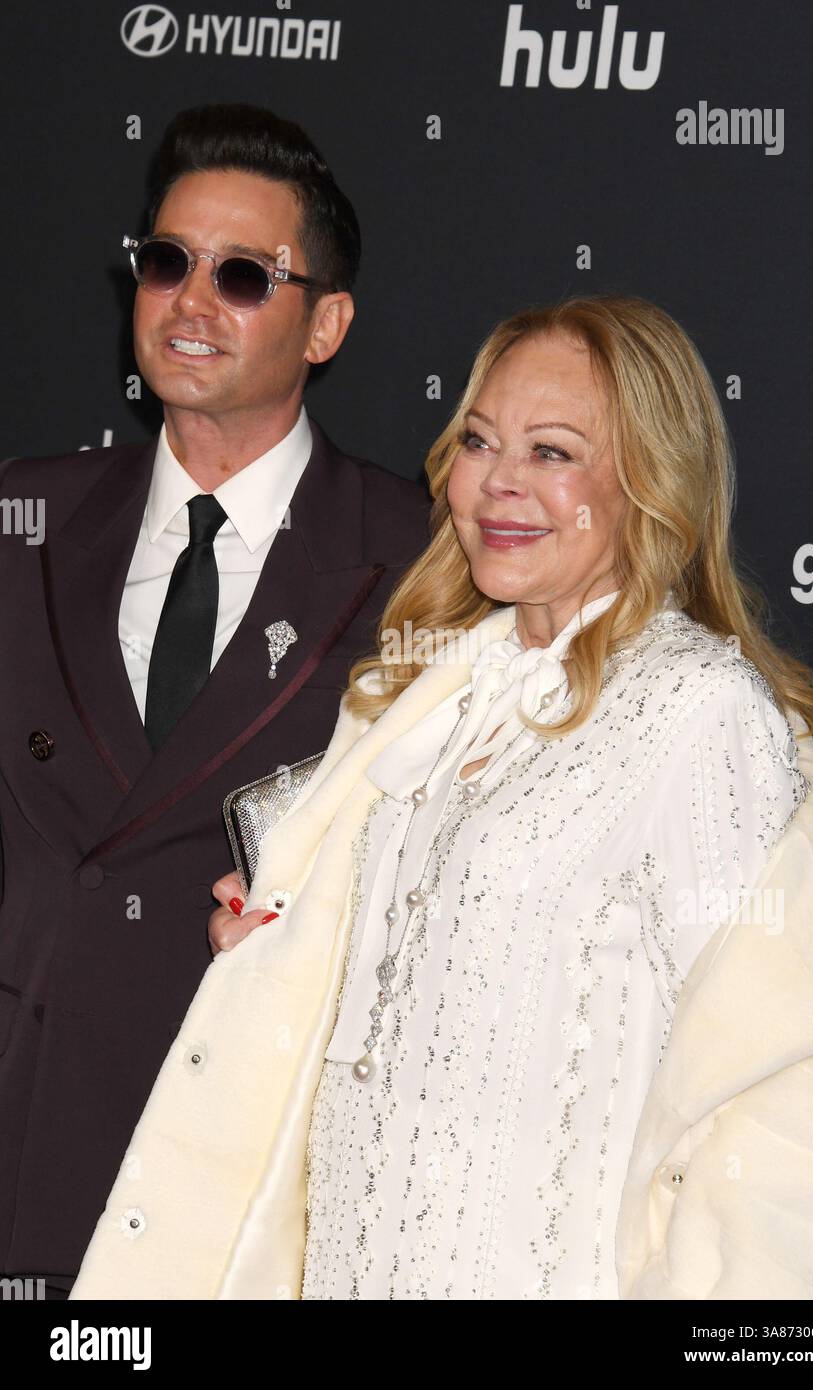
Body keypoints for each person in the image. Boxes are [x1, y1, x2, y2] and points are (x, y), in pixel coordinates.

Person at [70, 296, 813, 1301]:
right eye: (480, 440)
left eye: (552, 452)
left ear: (649, 480)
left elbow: (788, 1086)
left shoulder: (695, 712)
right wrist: (291, 934)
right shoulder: (436, 694)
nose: (498, 482)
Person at [0, 103, 431, 1298]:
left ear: (326, 323)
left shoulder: (424, 564)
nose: (191, 301)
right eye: (165, 261)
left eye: (243, 275)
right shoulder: (19, 520)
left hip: (238, 1181)